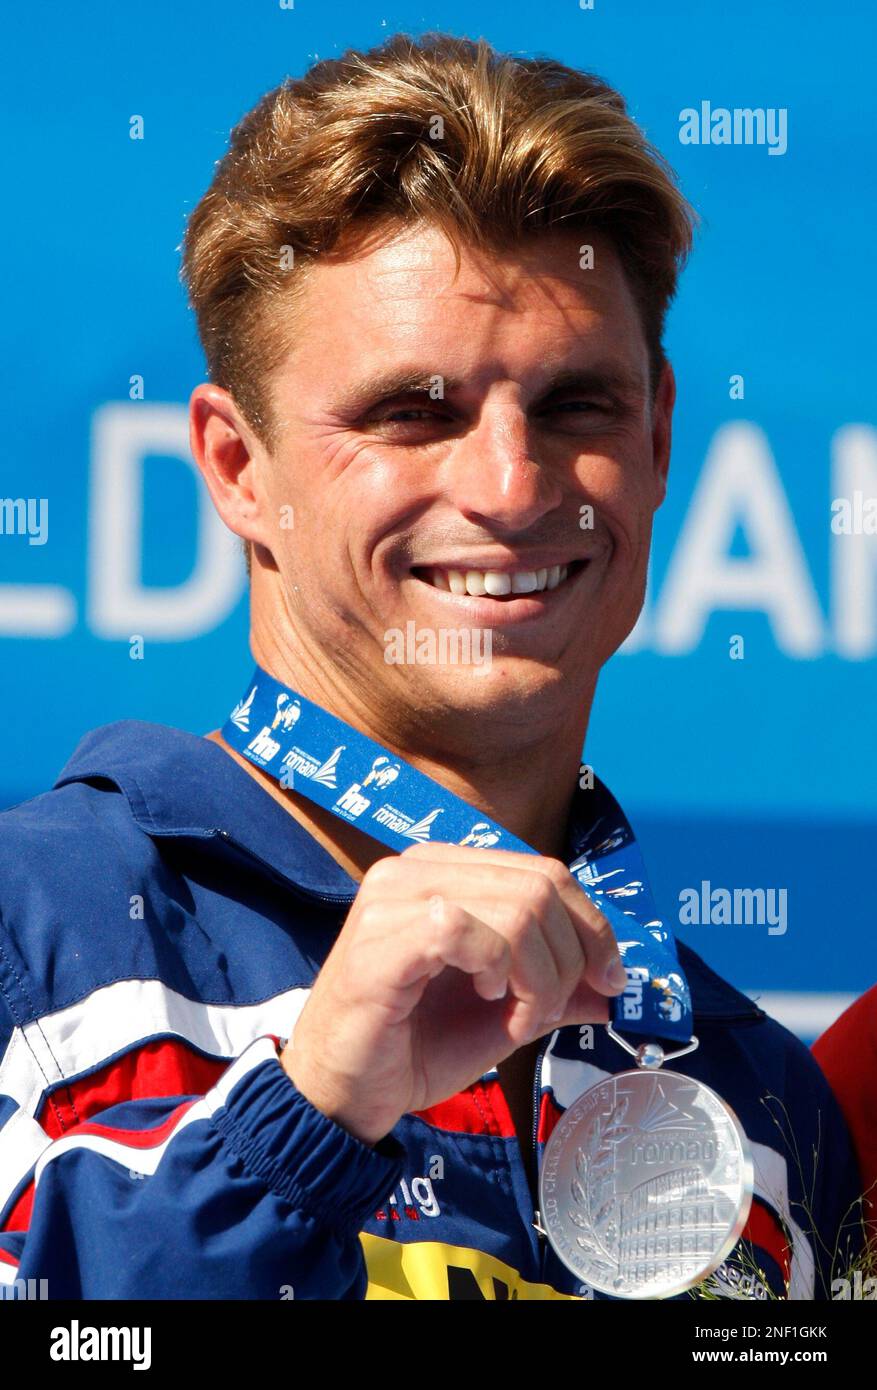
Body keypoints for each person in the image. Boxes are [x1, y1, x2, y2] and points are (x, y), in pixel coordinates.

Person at [0, 33, 862, 1301]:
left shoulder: (759, 1097)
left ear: (661, 432)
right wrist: (305, 1123)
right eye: (414, 412)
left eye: (577, 407)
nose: (510, 488)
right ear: (239, 470)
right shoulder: (38, 936)